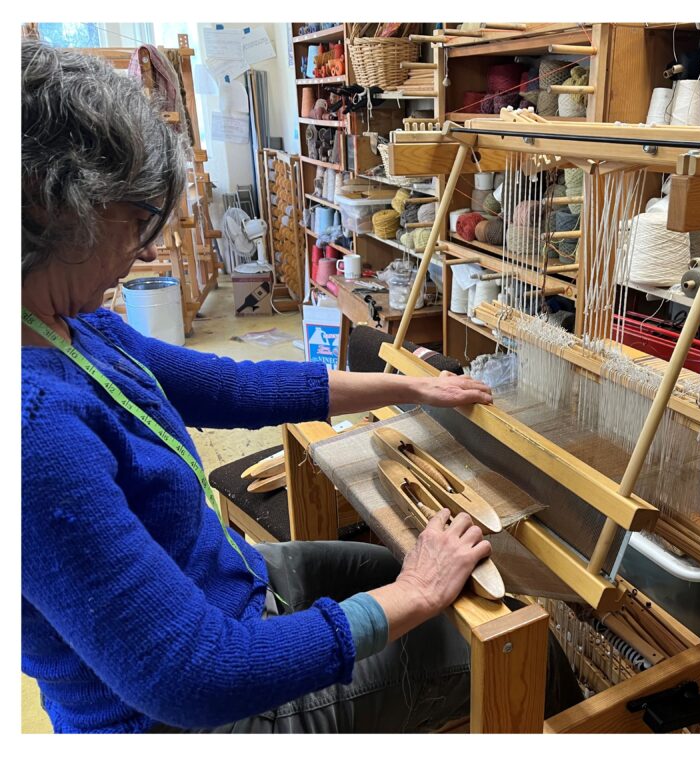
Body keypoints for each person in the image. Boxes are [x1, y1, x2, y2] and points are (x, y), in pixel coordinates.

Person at [21, 40, 531, 733]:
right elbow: (195, 675)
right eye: (135, 219)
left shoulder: (70, 327)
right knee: (491, 656)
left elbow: (236, 389)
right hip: (187, 719)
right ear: (59, 211)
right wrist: (415, 594)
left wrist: (402, 388)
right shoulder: (31, 434)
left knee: (383, 565)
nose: (145, 249)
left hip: (226, 587)